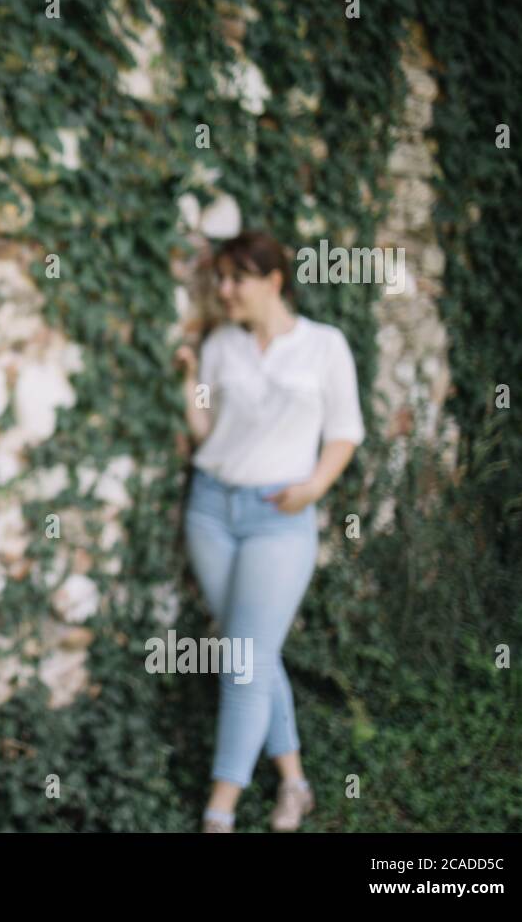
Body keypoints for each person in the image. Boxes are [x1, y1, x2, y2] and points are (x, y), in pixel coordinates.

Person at [175, 230, 364, 833]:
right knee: (255, 656)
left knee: (243, 661)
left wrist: (313, 487)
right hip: (210, 509)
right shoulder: (221, 346)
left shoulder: (325, 347)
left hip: (278, 517)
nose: (225, 290)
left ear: (274, 280)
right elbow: (207, 432)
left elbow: (345, 431)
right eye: (221, 279)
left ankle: (219, 813)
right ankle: (295, 784)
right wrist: (187, 380)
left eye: (237, 279)